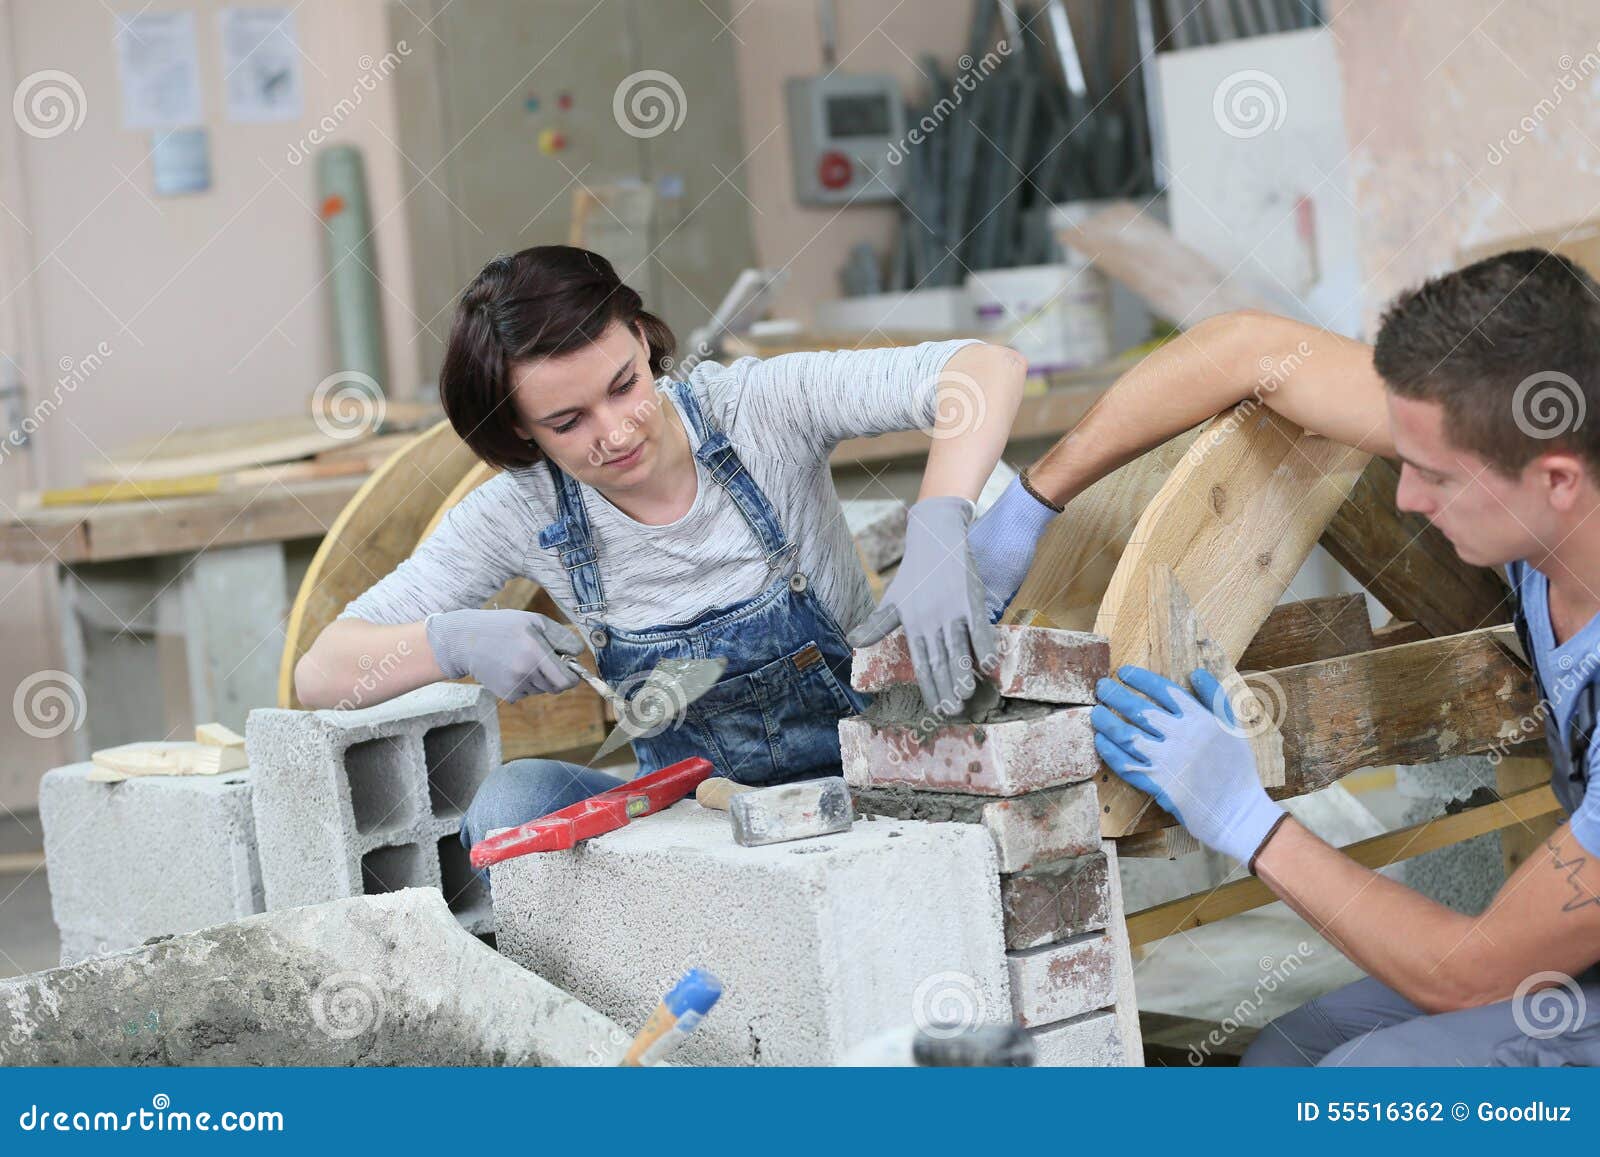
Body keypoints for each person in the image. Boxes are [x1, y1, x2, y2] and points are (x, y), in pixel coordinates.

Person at [967, 248, 1600, 1065]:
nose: (1406, 495)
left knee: (1361, 1085)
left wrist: (1247, 821)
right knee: (1286, 1058)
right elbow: (1250, 351)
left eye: (1434, 477)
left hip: (1534, 964)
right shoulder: (1522, 444)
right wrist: (1029, 504)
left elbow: (1473, 972)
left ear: (1556, 481)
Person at [294, 245, 1024, 858]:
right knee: (512, 804)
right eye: (567, 420)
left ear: (643, 338)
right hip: (687, 813)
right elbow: (320, 671)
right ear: (521, 432)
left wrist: (938, 521)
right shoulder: (523, 507)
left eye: (624, 385)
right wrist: (445, 641)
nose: (616, 432)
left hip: (869, 778)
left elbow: (985, 369)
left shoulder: (759, 408)